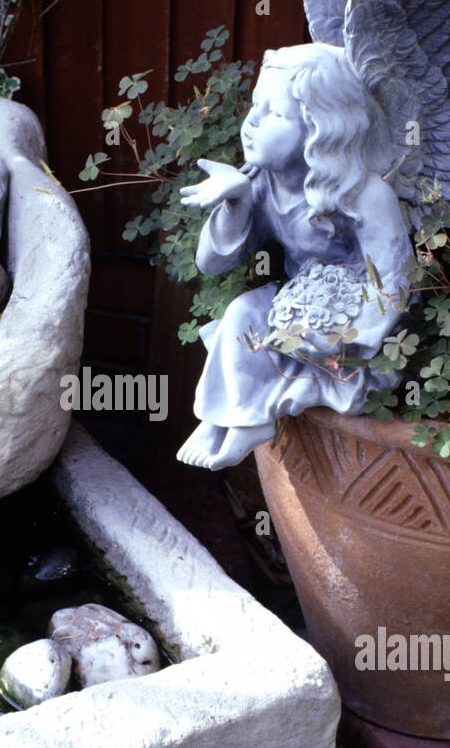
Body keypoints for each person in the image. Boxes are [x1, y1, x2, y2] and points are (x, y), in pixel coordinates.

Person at [177, 42, 413, 470]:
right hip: (297, 307)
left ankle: (247, 421)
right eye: (254, 106)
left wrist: (338, 336)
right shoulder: (265, 184)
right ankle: (220, 418)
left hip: (354, 328)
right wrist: (236, 202)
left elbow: (393, 285)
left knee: (271, 328)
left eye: (275, 114)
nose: (251, 123)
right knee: (242, 312)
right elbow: (211, 264)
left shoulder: (365, 193)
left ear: (320, 127)